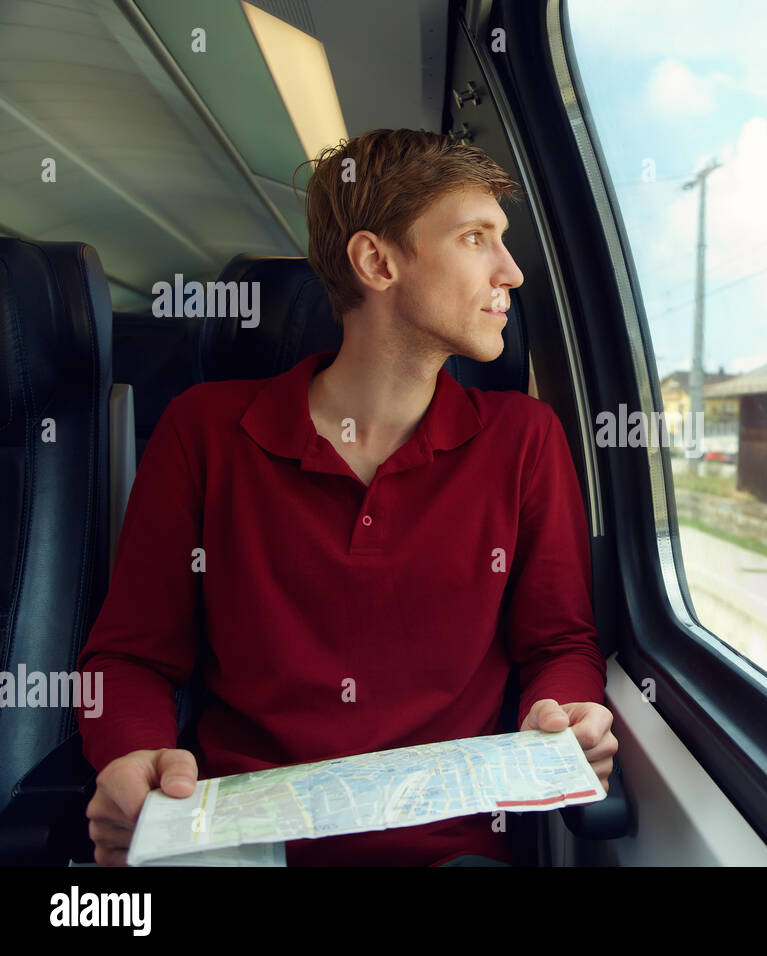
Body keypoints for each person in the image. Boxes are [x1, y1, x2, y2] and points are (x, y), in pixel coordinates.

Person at [77, 129, 616, 866]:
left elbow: (559, 645)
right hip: (241, 840)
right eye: (476, 238)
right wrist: (132, 758)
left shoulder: (524, 439)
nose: (512, 272)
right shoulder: (203, 431)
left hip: (444, 853)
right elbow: (131, 657)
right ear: (376, 262)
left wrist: (566, 712)